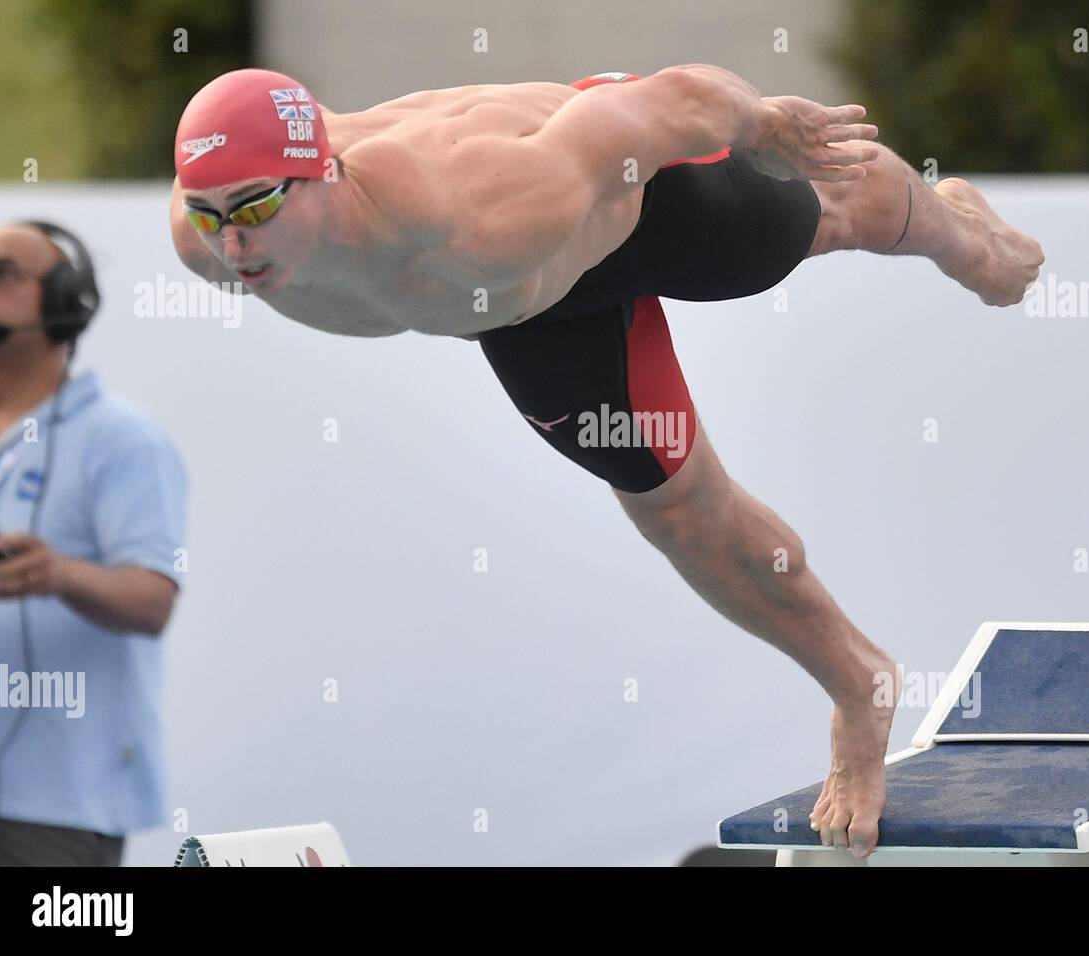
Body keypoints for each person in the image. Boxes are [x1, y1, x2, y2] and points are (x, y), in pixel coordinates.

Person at [171, 66, 1043, 858]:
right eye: (212, 215)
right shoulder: (203, 237)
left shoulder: (480, 200)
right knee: (673, 509)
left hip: (640, 205)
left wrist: (761, 126)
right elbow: (268, 134)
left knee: (823, 213)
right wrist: (227, 204)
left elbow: (669, 102)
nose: (233, 244)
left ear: (320, 172)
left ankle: (967, 239)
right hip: (524, 311)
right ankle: (861, 687)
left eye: (254, 208)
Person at [0, 221, 187, 866]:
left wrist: (59, 575)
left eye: (3, 272)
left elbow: (152, 599)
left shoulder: (121, 440)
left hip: (58, 805)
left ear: (67, 299)